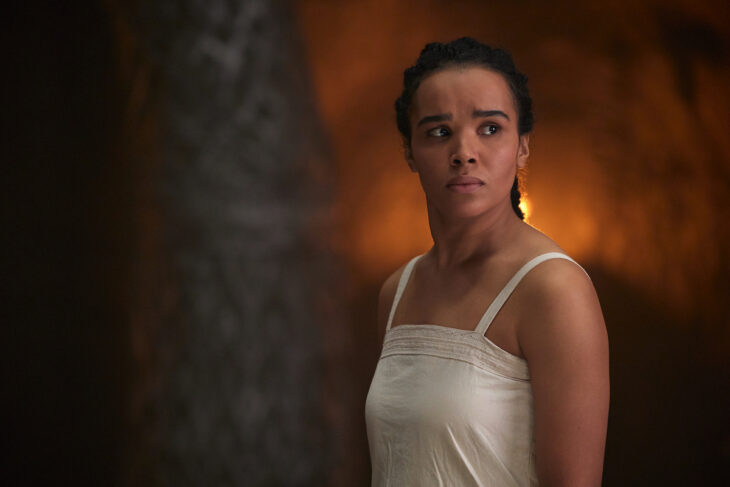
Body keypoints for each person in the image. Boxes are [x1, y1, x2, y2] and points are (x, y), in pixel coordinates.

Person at [364, 38, 609, 486]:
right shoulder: (397, 291)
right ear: (409, 151)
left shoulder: (553, 290)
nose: (464, 152)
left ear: (523, 146)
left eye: (490, 128)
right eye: (439, 132)